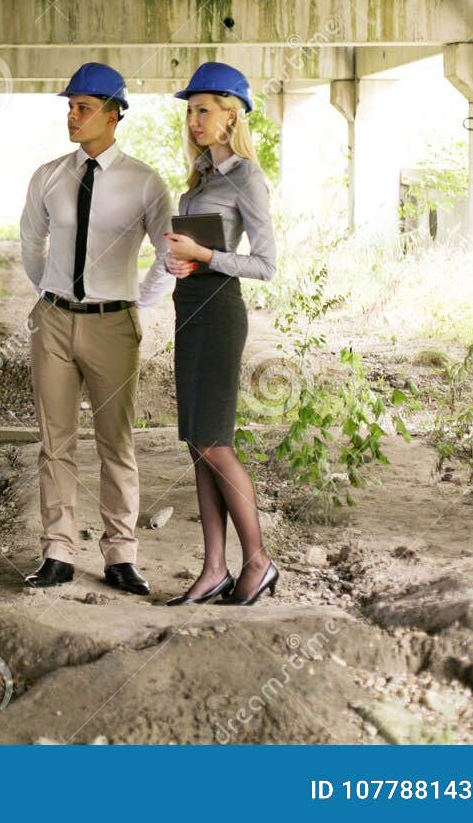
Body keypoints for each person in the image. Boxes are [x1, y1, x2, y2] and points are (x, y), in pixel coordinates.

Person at [18, 63, 175, 594]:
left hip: (115, 324)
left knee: (117, 444)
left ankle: (120, 556)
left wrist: (137, 304)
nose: (72, 115)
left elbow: (168, 253)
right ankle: (58, 551)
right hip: (55, 324)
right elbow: (30, 245)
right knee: (54, 442)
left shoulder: (145, 182)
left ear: (114, 115)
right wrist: (53, 297)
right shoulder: (48, 176)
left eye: (83, 107)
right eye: (69, 106)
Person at [161, 62, 280, 606]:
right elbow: (197, 252)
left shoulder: (247, 177)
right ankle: (214, 568)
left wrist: (204, 255)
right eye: (190, 110)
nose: (193, 119)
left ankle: (257, 561)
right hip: (191, 304)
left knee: (215, 441)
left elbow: (265, 264)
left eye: (204, 109)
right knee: (197, 443)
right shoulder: (201, 179)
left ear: (232, 116)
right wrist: (181, 263)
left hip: (220, 312)